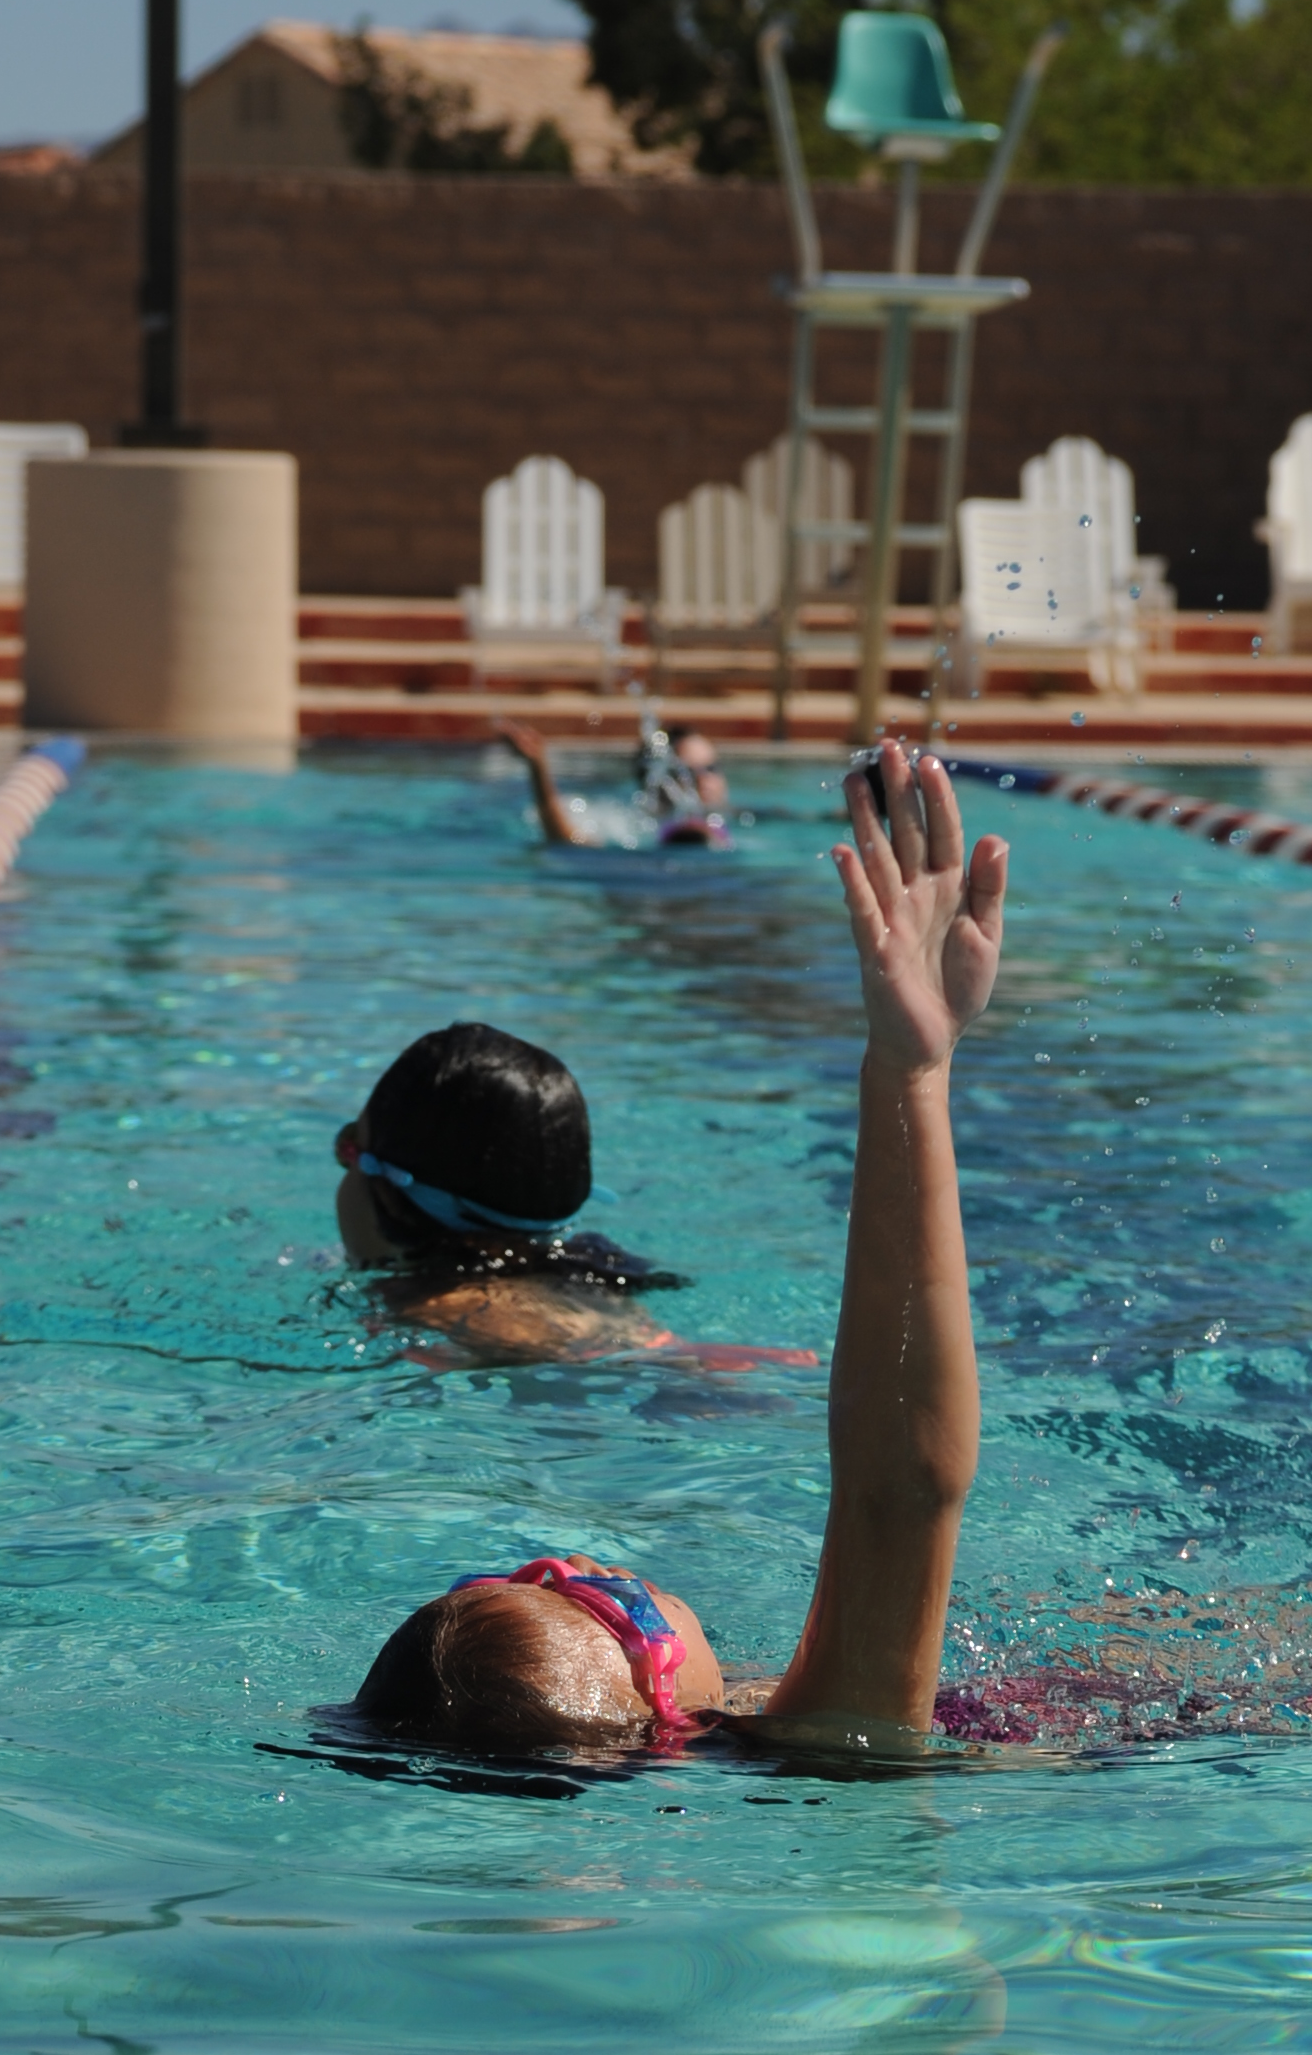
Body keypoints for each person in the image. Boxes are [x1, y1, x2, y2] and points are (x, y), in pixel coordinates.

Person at [356, 735, 997, 1752]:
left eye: (520, 1573)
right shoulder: (836, 1740)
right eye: (613, 1604)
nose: (582, 1558)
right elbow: (898, 1485)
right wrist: (909, 1075)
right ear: (666, 1719)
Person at [337, 1016, 810, 1375]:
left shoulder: (444, 1308)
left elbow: (621, 1358)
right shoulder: (583, 1265)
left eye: (347, 1146)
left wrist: (677, 1362)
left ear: (389, 1187)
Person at [501, 717, 731, 852]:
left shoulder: (744, 817)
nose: (705, 780)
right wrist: (539, 769)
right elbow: (570, 843)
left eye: (711, 769)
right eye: (688, 773)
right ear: (658, 779)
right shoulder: (632, 829)